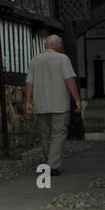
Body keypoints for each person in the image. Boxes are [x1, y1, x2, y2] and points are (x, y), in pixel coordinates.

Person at [24, 34, 82, 176]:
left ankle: (48, 161)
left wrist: (28, 101)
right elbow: (69, 80)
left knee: (45, 134)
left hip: (41, 103)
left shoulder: (35, 60)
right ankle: (52, 165)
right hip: (59, 103)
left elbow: (29, 82)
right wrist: (77, 99)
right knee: (58, 133)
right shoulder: (63, 59)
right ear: (58, 46)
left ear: (46, 45)